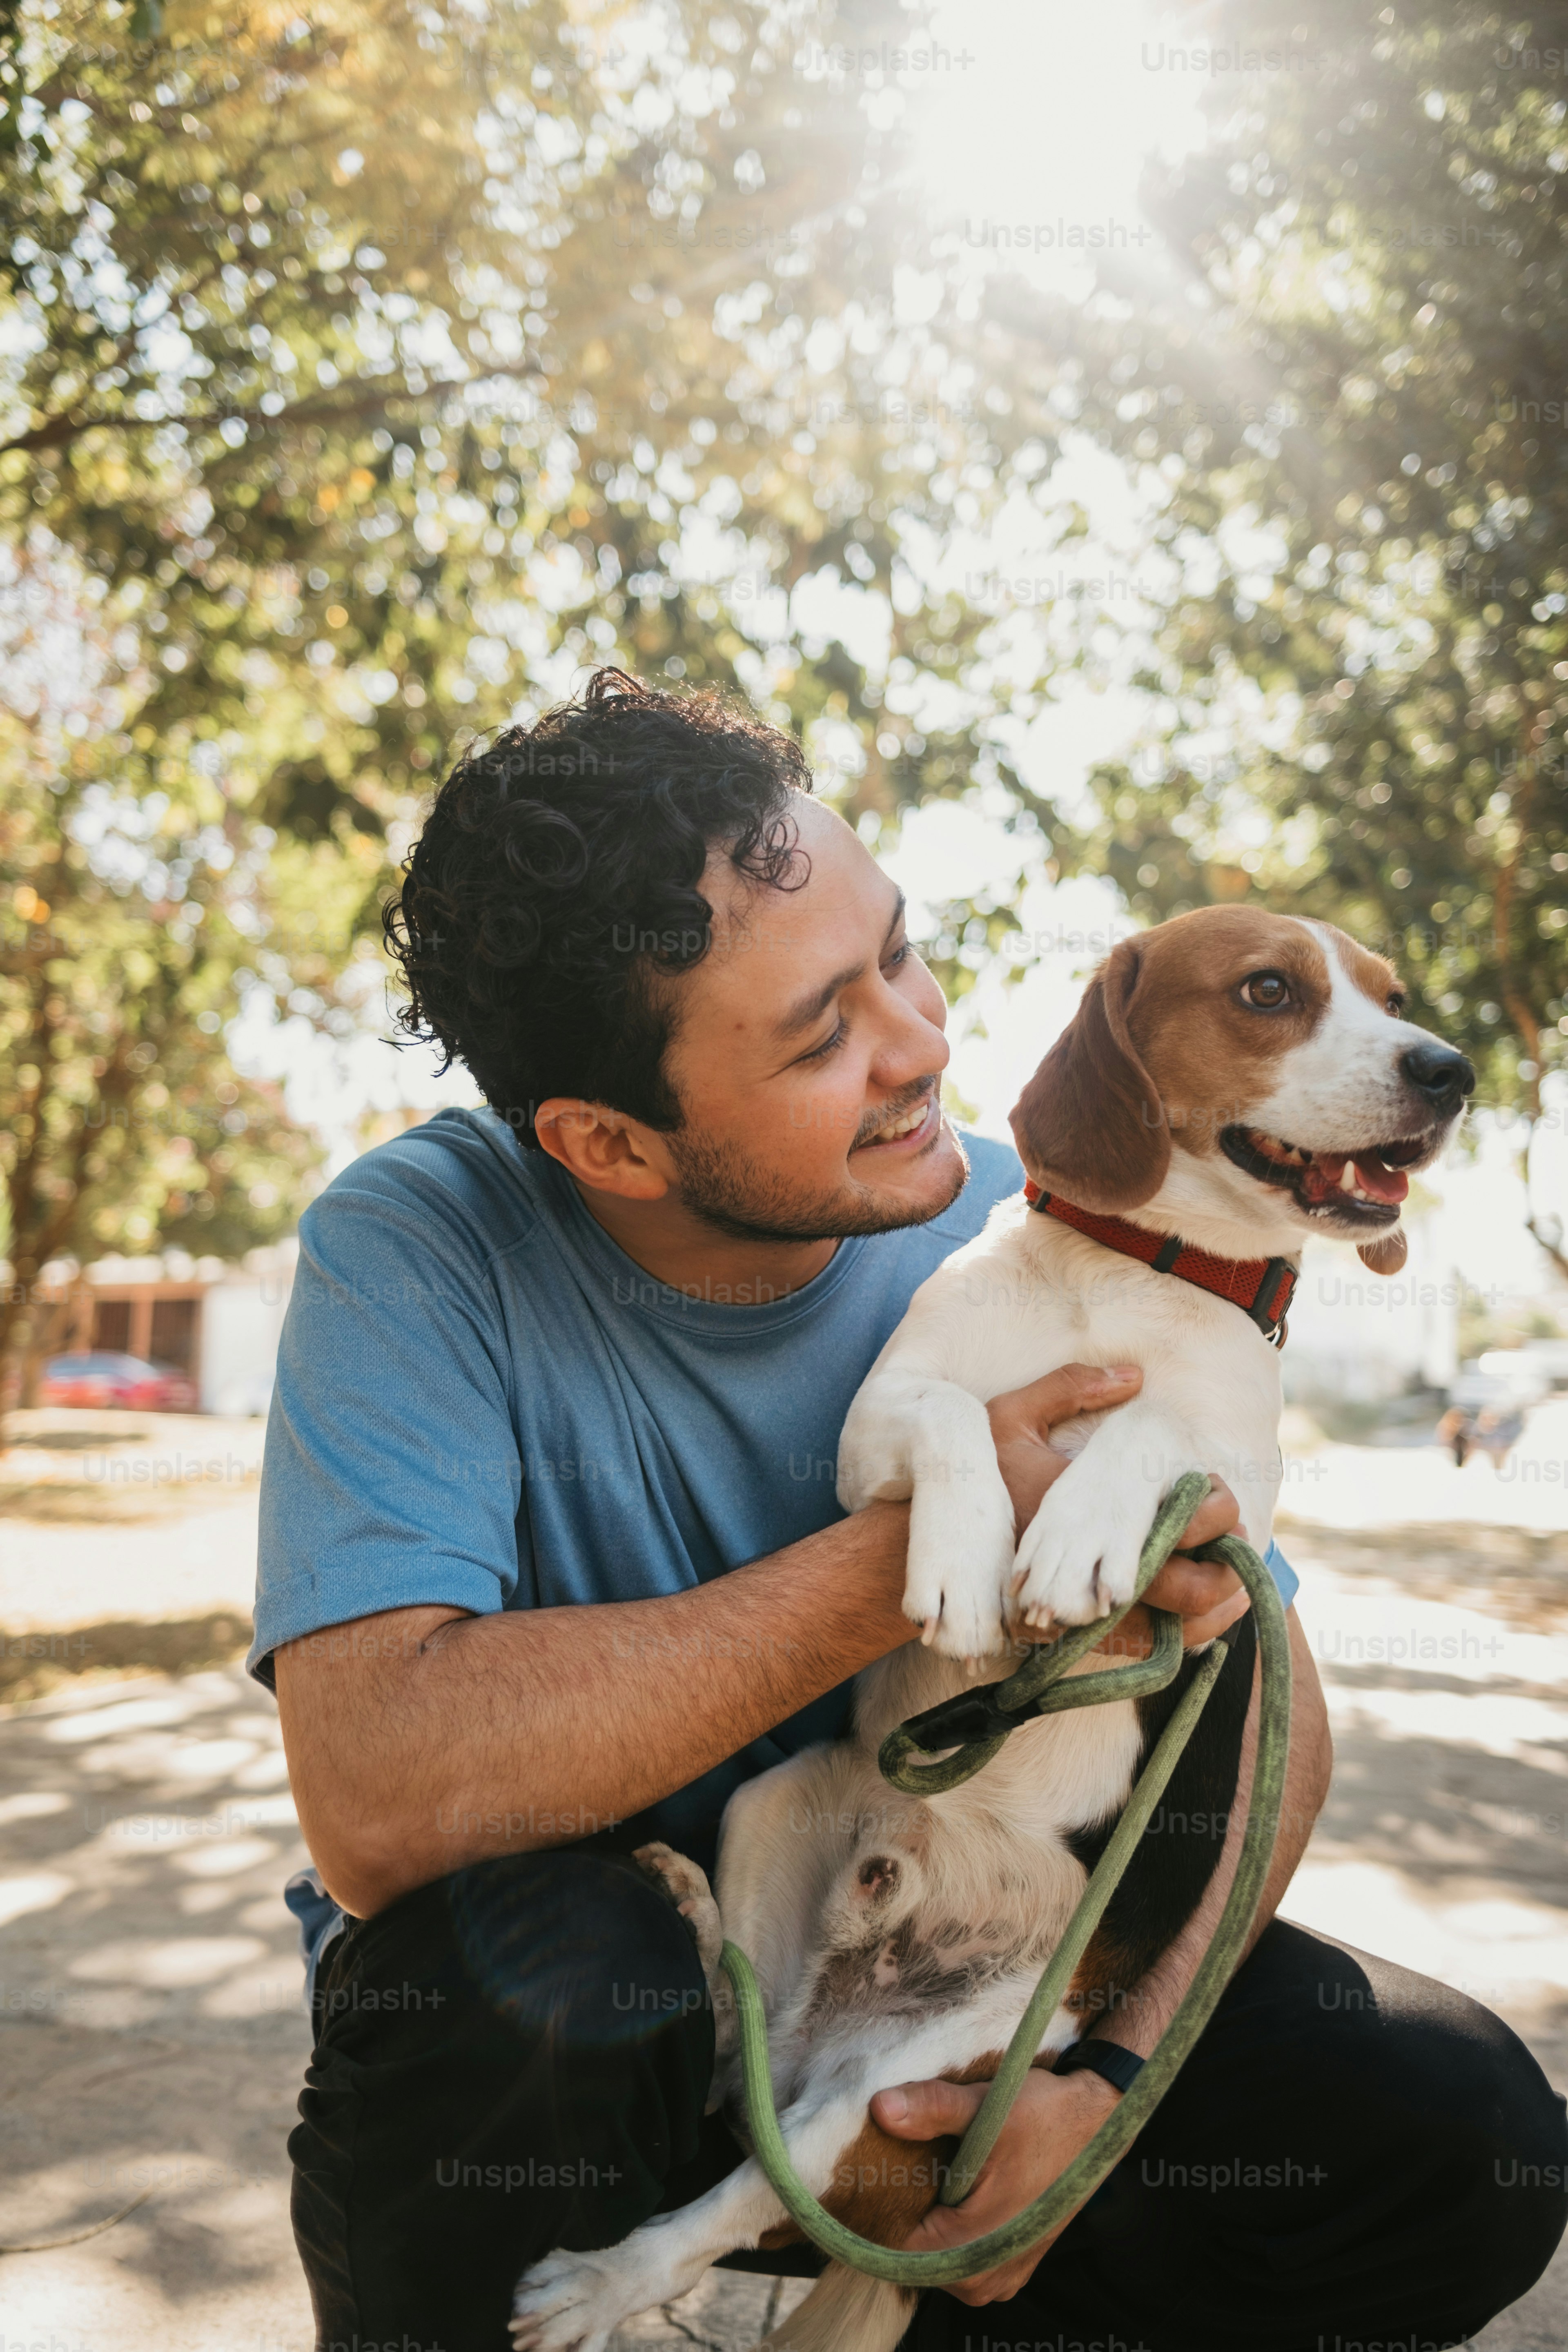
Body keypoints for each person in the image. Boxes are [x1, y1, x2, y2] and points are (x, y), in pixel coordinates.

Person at [258, 670, 1566, 2352]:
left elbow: (1273, 1714)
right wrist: (902, 1561)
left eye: (899, 950)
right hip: (625, 2027)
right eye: (825, 1034)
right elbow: (376, 1803)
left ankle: (951, 2267)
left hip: (974, 1983)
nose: (926, 1040)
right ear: (610, 1141)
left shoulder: (1058, 1218)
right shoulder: (422, 1246)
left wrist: (1101, 2075)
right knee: (520, 1984)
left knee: (1458, 2132)